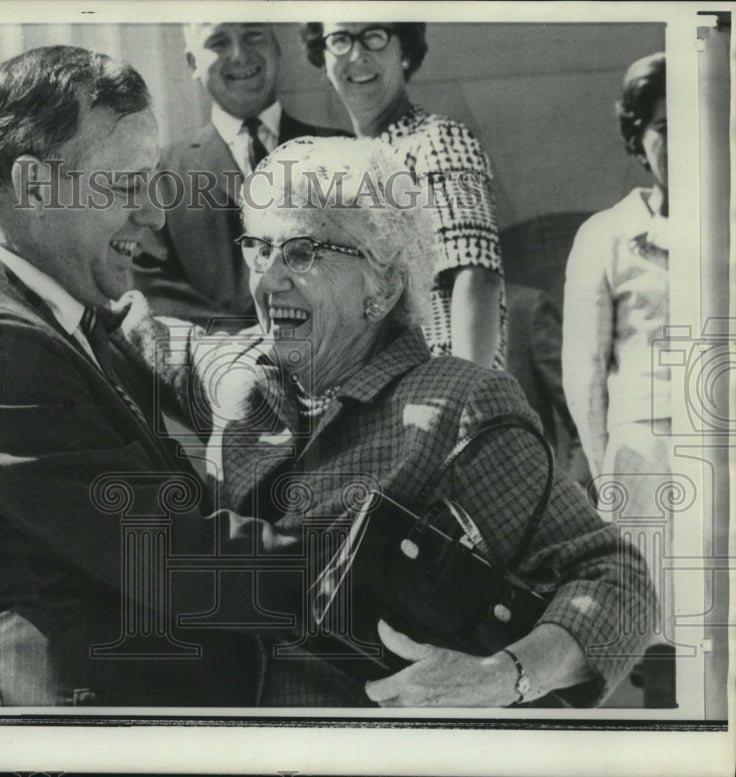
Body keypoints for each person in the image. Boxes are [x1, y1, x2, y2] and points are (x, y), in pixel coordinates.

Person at [110, 137, 655, 706]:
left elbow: (619, 582)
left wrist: (505, 674)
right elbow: (127, 327)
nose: (269, 281)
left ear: (384, 285)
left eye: (301, 252)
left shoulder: (460, 405)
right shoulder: (238, 368)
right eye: (259, 250)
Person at [0, 46, 302, 707]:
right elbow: (176, 559)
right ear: (32, 184)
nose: (152, 216)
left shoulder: (61, 314)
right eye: (123, 186)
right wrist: (365, 565)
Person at [561, 53, 672, 703]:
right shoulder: (606, 235)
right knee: (660, 642)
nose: (679, 141)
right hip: (645, 463)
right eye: (662, 125)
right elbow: (583, 372)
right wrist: (609, 482)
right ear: (637, 136)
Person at [299, 22, 505, 369]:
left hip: (442, 392)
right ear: (322, 57)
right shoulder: (349, 167)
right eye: (340, 39)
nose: (357, 54)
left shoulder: (440, 141)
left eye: (374, 36)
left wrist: (465, 403)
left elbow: (478, 278)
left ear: (404, 51)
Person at [132, 23, 345, 331]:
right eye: (218, 42)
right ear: (193, 63)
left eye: (253, 34)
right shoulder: (161, 173)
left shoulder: (338, 152)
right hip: (221, 366)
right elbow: (150, 283)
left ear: (276, 46)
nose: (239, 54)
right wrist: (244, 347)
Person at [504, 283, 589, 486]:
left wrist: (572, 492)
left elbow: (584, 415)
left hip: (536, 493)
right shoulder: (421, 326)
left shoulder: (524, 308)